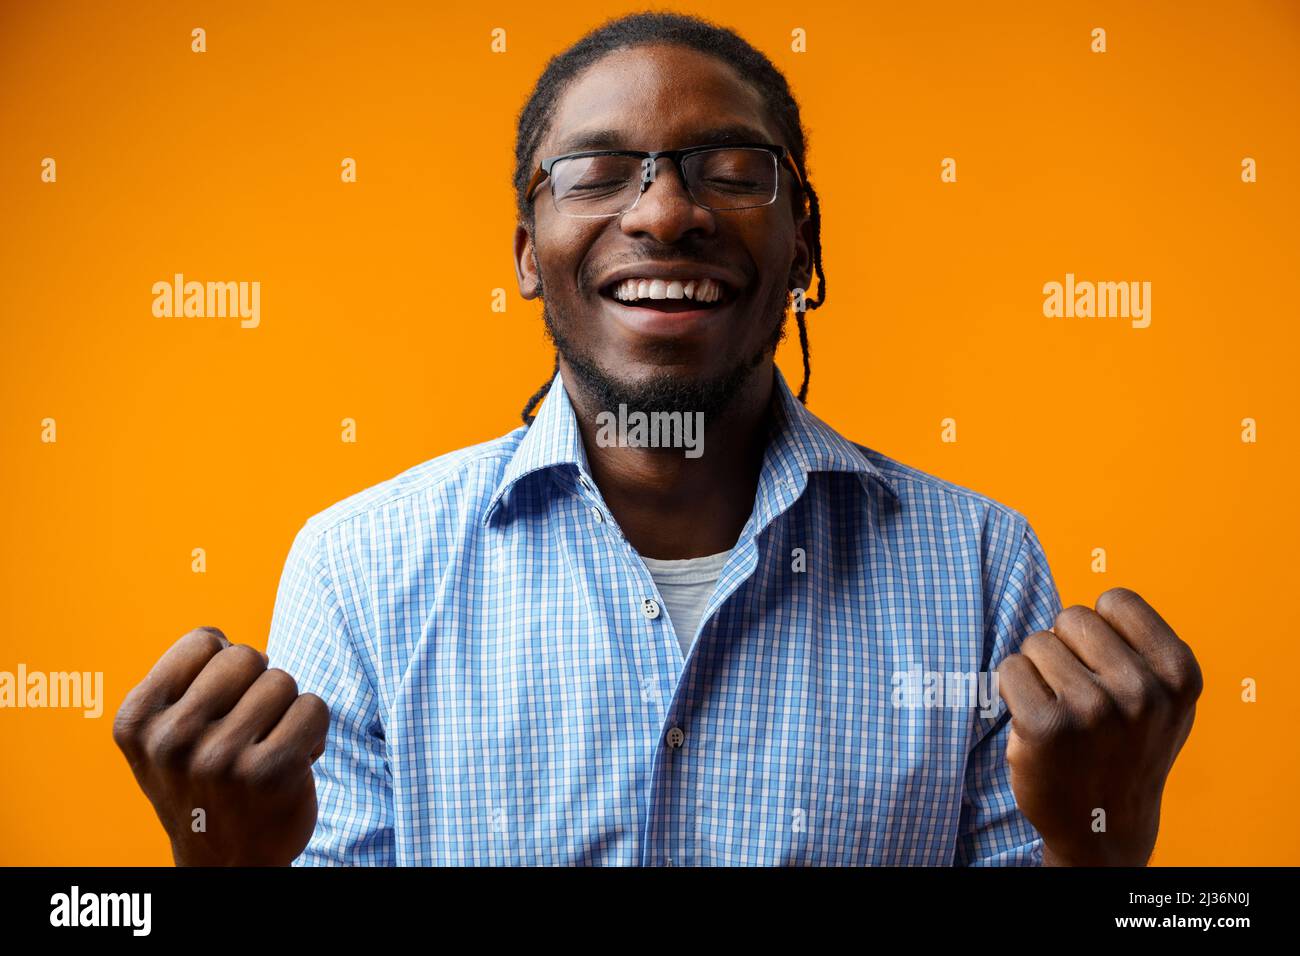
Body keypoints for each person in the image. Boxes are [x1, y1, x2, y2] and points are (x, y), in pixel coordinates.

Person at [112, 11, 1202, 867]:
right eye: (595, 171)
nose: (667, 211)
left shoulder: (978, 564)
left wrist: (1096, 848)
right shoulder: (359, 569)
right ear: (528, 252)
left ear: (802, 240)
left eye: (731, 169)